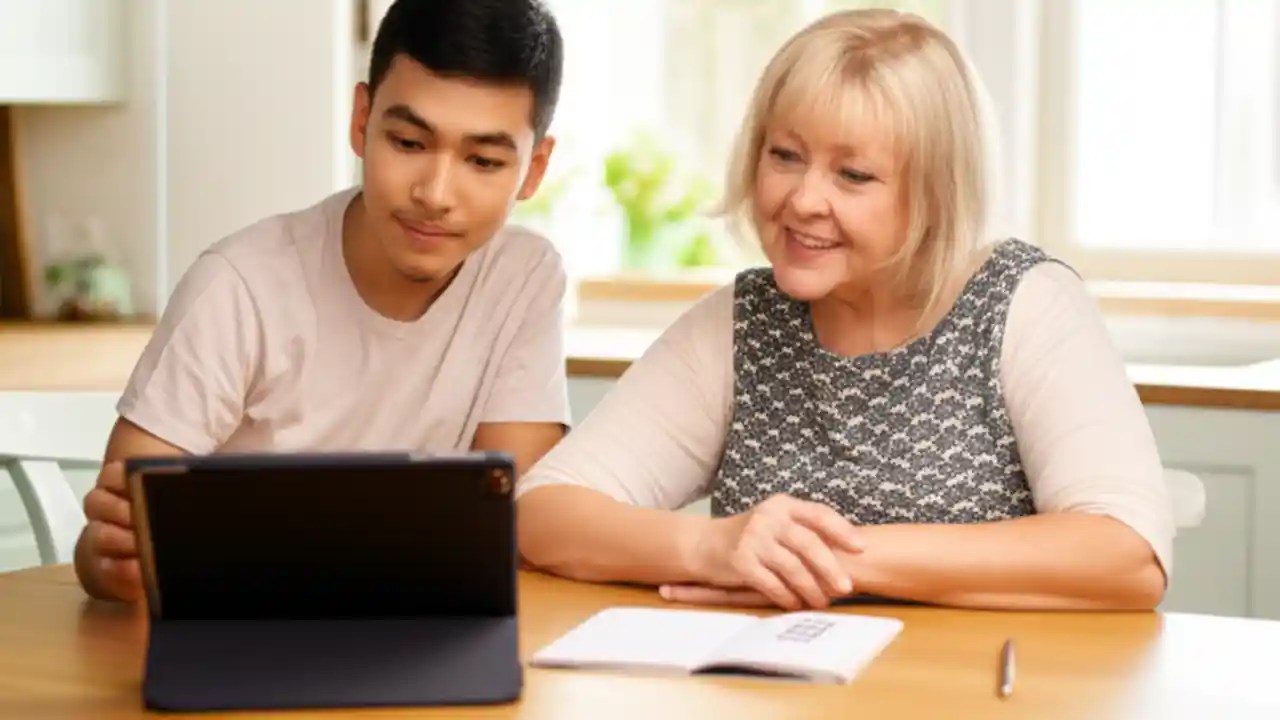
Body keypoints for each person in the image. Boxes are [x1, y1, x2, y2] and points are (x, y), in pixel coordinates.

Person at [516, 9, 1173, 612]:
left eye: (853, 175)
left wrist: (834, 560)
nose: (803, 200)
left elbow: (1128, 556)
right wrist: (711, 548)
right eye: (785, 156)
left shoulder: (1024, 304)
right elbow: (543, 513)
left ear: (935, 193)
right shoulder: (743, 321)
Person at [76, 0, 568, 602]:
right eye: (409, 142)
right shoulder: (240, 285)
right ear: (361, 120)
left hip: (410, 637)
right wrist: (110, 560)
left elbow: (517, 521)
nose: (435, 194)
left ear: (534, 168)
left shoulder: (523, 276)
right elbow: (113, 541)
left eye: (484, 161)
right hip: (244, 629)